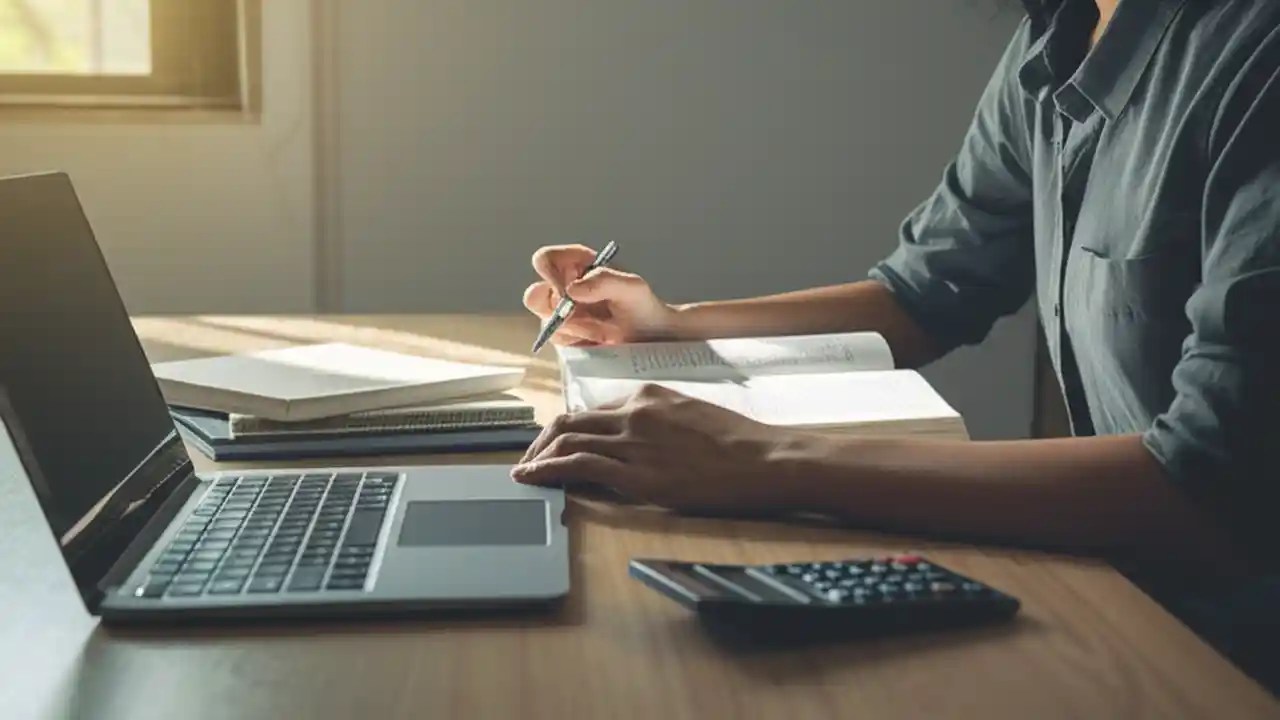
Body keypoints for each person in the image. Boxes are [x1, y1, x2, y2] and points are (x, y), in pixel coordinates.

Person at [516, 0, 1279, 692]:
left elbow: (1205, 483)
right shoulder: (1058, 36)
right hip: (1130, 603)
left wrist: (761, 460)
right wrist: (674, 326)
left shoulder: (1257, 55)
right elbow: (922, 294)